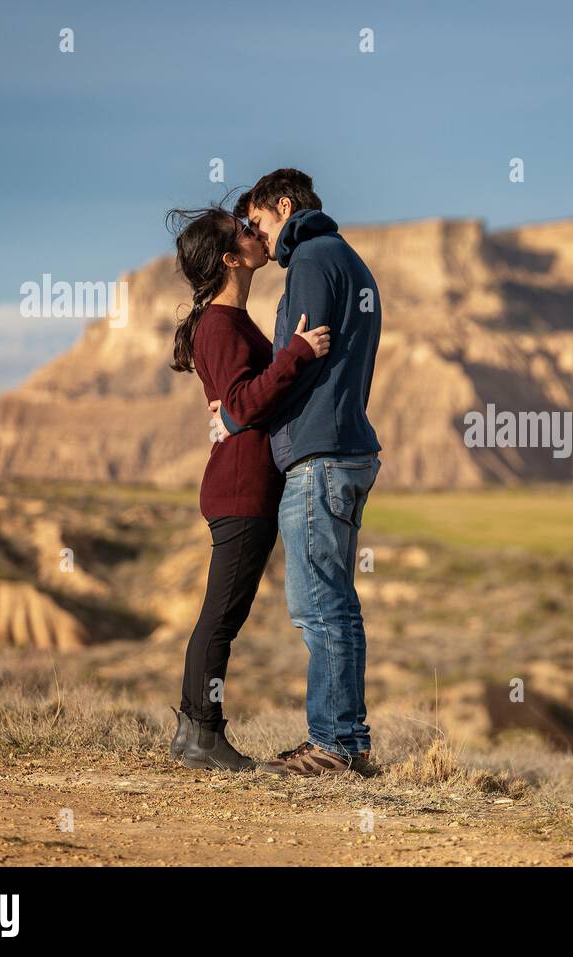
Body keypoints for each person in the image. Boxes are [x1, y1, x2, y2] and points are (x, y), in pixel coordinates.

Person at [209, 169, 382, 776]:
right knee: (337, 602)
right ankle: (347, 742)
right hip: (346, 450)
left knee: (319, 608)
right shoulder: (345, 257)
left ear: (284, 206)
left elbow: (298, 360)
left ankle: (332, 745)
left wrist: (234, 415)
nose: (257, 234)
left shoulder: (310, 257)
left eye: (258, 221)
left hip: (320, 454)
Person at [165, 205, 331, 771]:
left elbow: (235, 404)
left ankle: (193, 734)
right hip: (240, 489)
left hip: (244, 484)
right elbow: (240, 403)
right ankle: (203, 734)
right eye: (243, 232)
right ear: (230, 259)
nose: (256, 233)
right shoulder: (219, 323)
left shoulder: (229, 321)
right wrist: (297, 355)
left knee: (220, 615)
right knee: (221, 618)